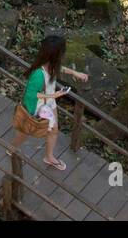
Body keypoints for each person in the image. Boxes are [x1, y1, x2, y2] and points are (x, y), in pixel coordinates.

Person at [9, 34, 89, 171]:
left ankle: (49, 156)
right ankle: (12, 148)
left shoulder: (51, 65)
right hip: (37, 108)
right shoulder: (38, 74)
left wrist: (75, 73)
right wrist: (54, 95)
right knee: (25, 131)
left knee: (53, 130)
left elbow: (60, 69)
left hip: (49, 104)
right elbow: (32, 94)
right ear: (56, 55)